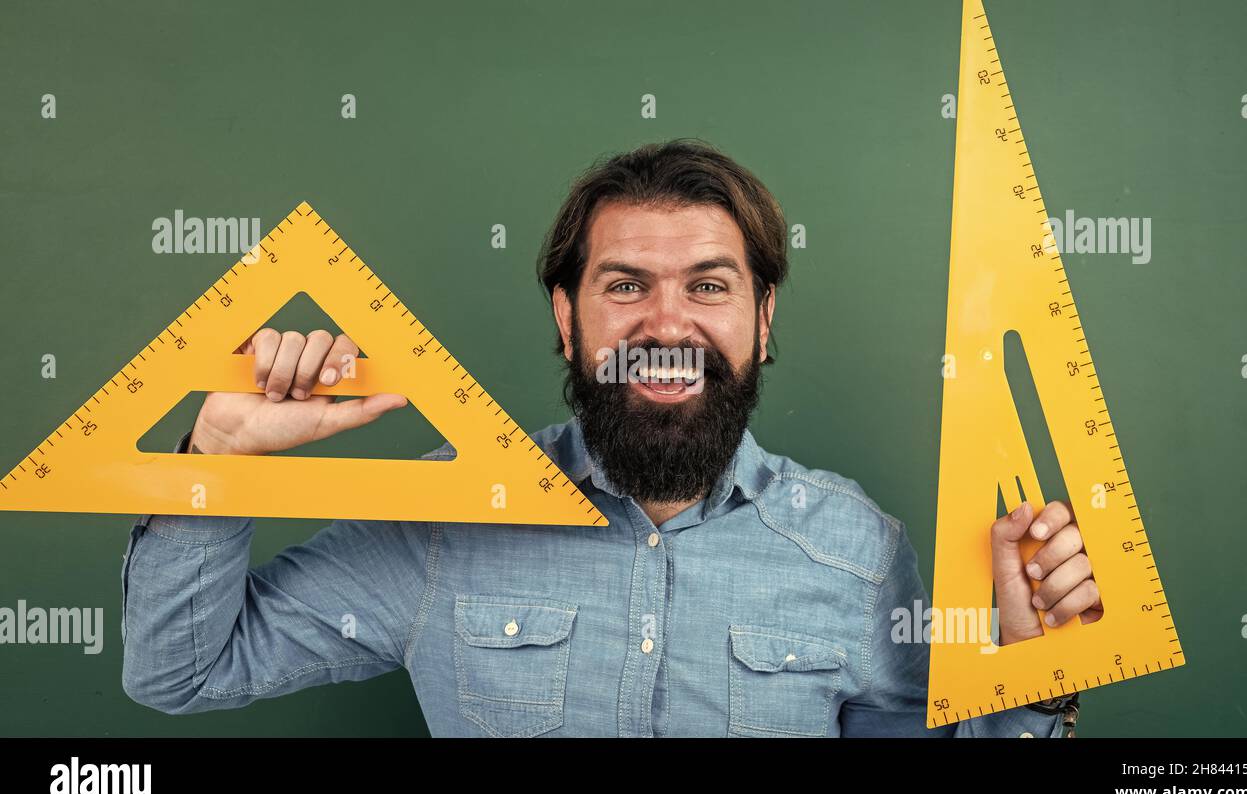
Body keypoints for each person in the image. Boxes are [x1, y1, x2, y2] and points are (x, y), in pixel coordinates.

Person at [121, 139, 1099, 736]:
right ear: (566, 315)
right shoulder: (441, 520)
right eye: (624, 284)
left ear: (763, 319)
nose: (664, 325)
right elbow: (179, 670)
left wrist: (1031, 673)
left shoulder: (857, 551)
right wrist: (216, 456)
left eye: (708, 285)